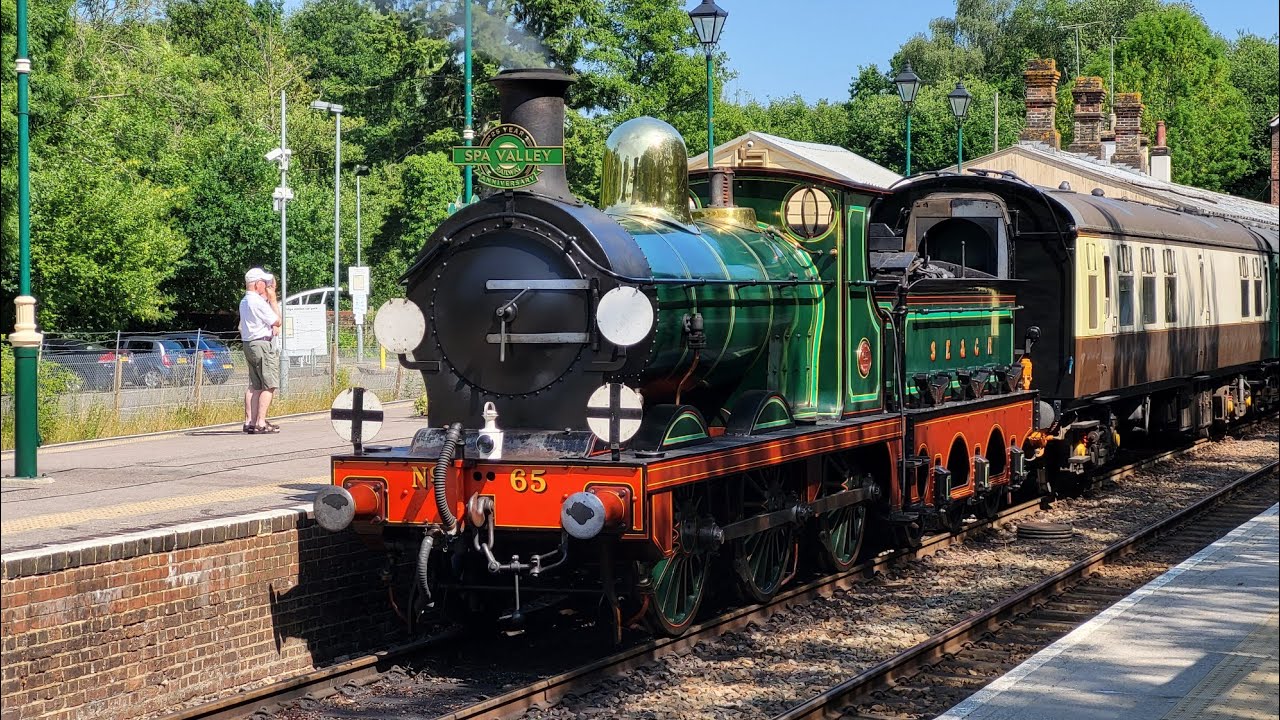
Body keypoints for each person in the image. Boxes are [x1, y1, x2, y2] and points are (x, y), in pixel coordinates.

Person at [240, 267, 282, 434]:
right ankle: (261, 422)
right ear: (257, 284)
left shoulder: (245, 301)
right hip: (262, 344)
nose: (266, 285)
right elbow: (277, 321)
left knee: (255, 385)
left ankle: (251, 421)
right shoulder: (257, 301)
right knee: (269, 385)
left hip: (249, 343)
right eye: (264, 283)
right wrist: (273, 301)